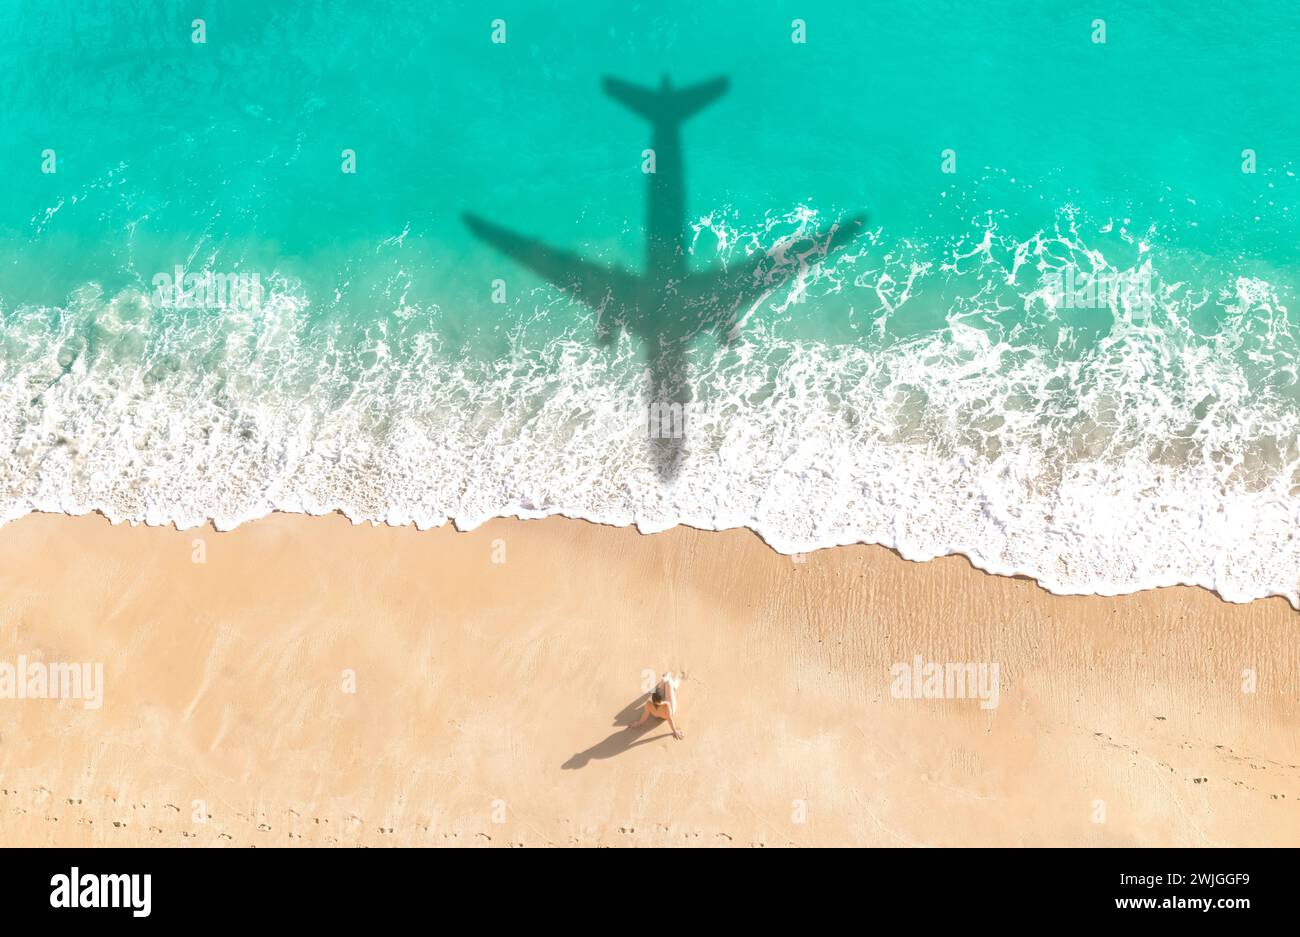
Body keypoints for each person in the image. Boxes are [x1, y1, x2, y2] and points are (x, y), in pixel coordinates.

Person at [631, 673, 684, 739]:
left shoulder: (649, 703)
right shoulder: (666, 704)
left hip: (658, 713)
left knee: (665, 683)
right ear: (662, 698)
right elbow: (669, 718)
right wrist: (675, 731)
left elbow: (645, 714)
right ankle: (670, 681)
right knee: (669, 684)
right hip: (666, 713)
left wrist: (639, 723)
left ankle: (666, 679)